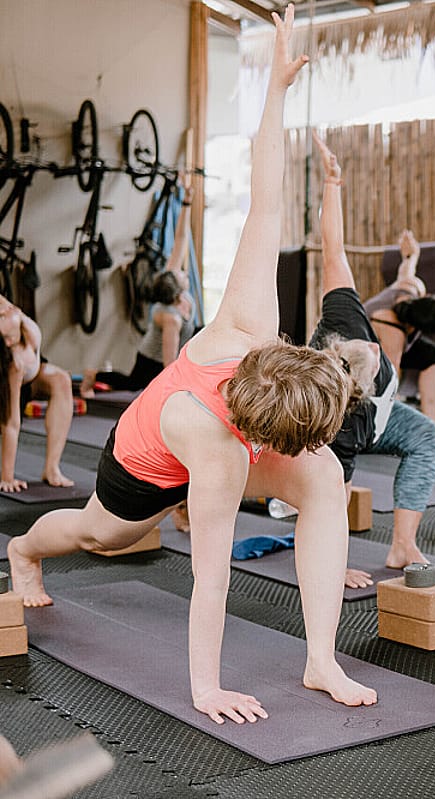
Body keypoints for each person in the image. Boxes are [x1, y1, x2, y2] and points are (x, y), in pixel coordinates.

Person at [7, 5, 377, 724]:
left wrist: (275, 90)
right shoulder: (218, 456)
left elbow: (265, 199)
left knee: (326, 476)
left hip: (221, 431)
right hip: (146, 462)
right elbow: (211, 580)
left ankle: (321, 658)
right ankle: (23, 549)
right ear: (267, 431)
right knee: (100, 536)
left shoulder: (249, 321)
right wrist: (206, 688)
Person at [309, 131, 435, 583]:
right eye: (373, 354)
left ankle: (403, 545)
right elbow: (336, 497)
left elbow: (333, 252)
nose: (372, 346)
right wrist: (336, 566)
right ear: (362, 390)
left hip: (374, 417)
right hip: (320, 434)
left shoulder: (344, 321)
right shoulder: (342, 427)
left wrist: (333, 184)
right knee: (307, 489)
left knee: (425, 436)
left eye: (367, 347)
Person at [81, 191, 198, 397]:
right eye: (182, 276)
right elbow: (169, 363)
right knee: (133, 383)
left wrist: (186, 203)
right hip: (151, 358)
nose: (184, 273)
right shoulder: (170, 317)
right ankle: (93, 375)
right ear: (178, 293)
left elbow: (180, 240)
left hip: (170, 350)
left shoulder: (171, 281)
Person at [362, 233, 435, 445]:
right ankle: (387, 428)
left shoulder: (411, 288)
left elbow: (406, 269)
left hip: (389, 346)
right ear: (418, 326)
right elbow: (391, 374)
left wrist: (412, 254)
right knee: (388, 382)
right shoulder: (391, 326)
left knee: (434, 357)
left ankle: (430, 427)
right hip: (360, 351)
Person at [0, 298, 76, 491]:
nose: (5, 309)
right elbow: (11, 423)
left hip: (31, 378)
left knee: (61, 380)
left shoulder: (13, 314)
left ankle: (52, 468)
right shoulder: (13, 361)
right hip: (8, 383)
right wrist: (7, 478)